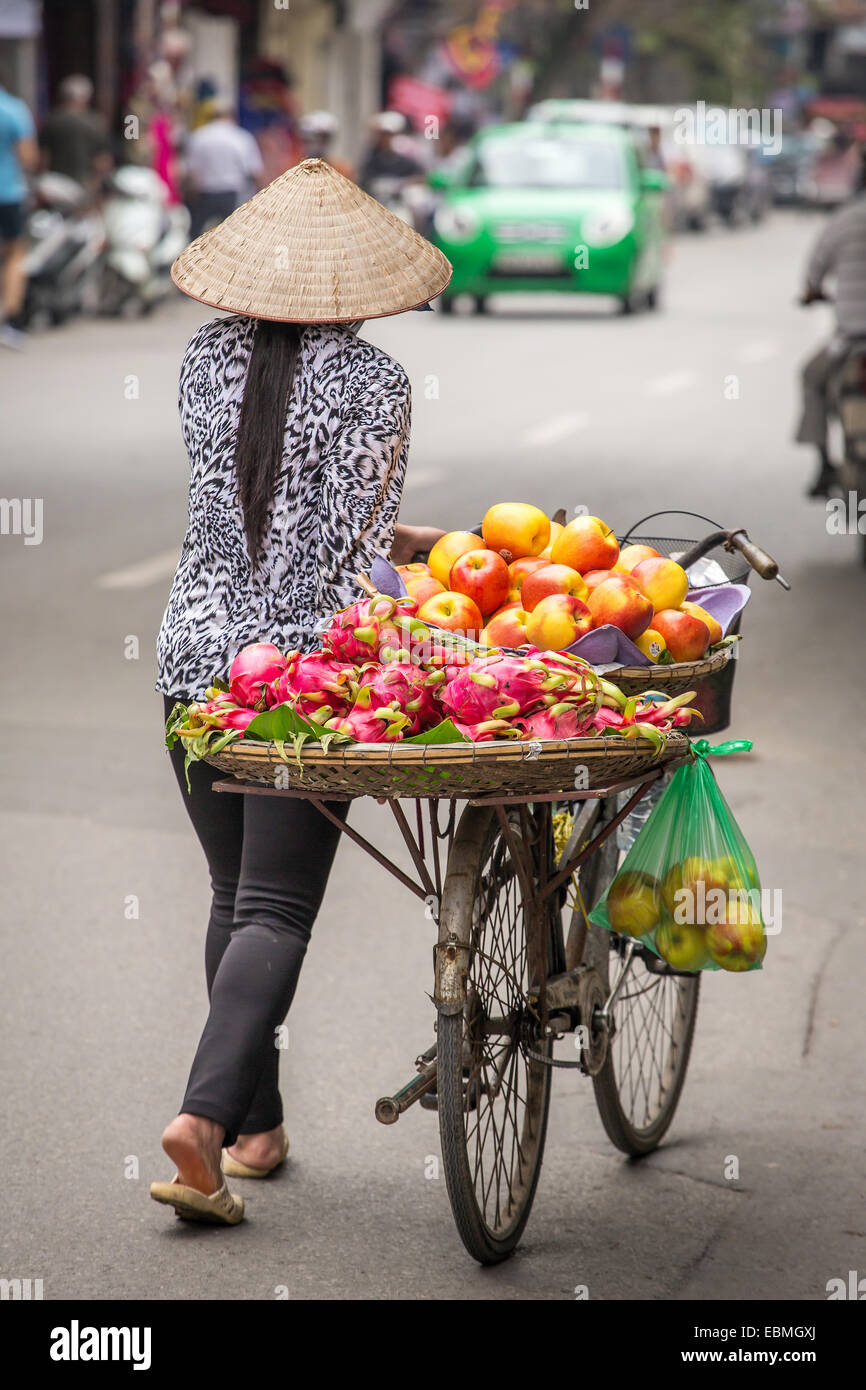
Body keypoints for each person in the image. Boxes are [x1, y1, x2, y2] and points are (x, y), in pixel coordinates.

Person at [150, 157, 451, 1225]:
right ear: (357, 282)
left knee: (235, 900)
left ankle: (252, 1124)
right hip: (299, 679)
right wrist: (413, 564)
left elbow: (249, 513)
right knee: (275, 906)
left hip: (192, 660)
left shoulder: (199, 359)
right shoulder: (376, 384)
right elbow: (338, 558)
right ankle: (199, 1117)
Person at [796, 159, 866, 497]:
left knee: (811, 377)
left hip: (848, 342)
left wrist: (813, 294)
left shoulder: (843, 220)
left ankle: (824, 462)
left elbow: (813, 275)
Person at [183, 100, 264, 239]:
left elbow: (192, 173)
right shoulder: (241, 137)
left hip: (205, 195)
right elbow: (254, 171)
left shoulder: (199, 137)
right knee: (233, 238)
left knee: (199, 239)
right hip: (232, 195)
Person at [0, 82, 37, 350]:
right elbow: (28, 156)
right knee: (15, 254)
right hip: (8, 193)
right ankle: (10, 321)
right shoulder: (12, 108)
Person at [38, 74, 111, 191]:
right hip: (85, 184)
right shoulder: (96, 122)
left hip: (56, 185)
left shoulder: (52, 120)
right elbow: (103, 160)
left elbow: (43, 158)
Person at [297, 110, 356, 182]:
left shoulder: (342, 169)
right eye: (308, 141)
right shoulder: (293, 169)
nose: (316, 145)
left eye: (323, 139)